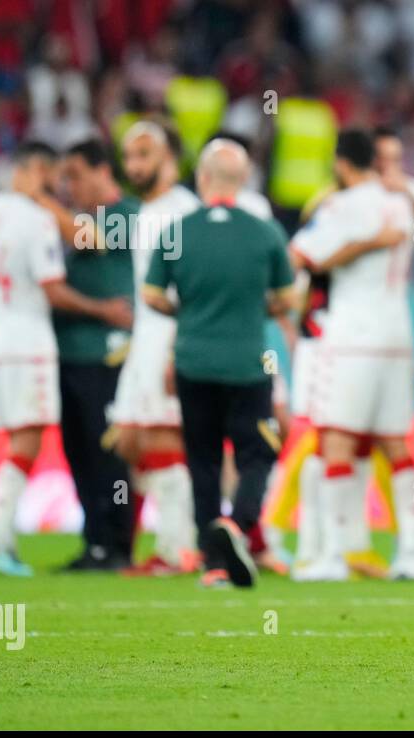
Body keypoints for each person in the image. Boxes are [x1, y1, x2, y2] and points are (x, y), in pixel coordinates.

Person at [0, 140, 131, 576]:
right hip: (29, 343)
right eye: (56, 177)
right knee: (29, 438)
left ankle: (3, 538)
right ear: (39, 170)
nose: (61, 188)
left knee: (24, 437)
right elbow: (76, 259)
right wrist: (105, 309)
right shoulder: (38, 219)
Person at [142, 139, 294, 589]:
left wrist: (187, 313)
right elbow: (287, 296)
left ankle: (213, 563)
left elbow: (151, 295)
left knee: (203, 460)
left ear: (203, 179)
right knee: (258, 450)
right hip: (249, 362)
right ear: (243, 179)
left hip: (192, 361)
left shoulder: (177, 231)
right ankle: (239, 524)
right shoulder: (264, 231)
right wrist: (251, 309)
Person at [288, 129, 414, 582]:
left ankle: (337, 555)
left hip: (349, 339)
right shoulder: (400, 203)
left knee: (336, 441)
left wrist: (351, 247)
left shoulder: (339, 206)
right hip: (397, 337)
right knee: (394, 443)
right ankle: (412, 550)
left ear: (342, 164)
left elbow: (301, 256)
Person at [111, 121, 203, 576]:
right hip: (143, 338)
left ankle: (178, 548)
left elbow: (189, 288)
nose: (134, 164)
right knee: (130, 438)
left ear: (171, 157)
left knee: (162, 437)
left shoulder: (182, 210)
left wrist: (175, 350)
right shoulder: (145, 211)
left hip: (169, 336)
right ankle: (172, 539)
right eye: (128, 155)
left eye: (144, 154)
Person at [50, 138, 140, 571]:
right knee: (78, 450)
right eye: (64, 178)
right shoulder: (77, 221)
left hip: (108, 354)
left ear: (104, 171)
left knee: (108, 451)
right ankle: (95, 540)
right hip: (70, 351)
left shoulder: (128, 215)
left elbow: (88, 238)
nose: (69, 186)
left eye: (75, 176)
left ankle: (118, 541)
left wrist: (34, 198)